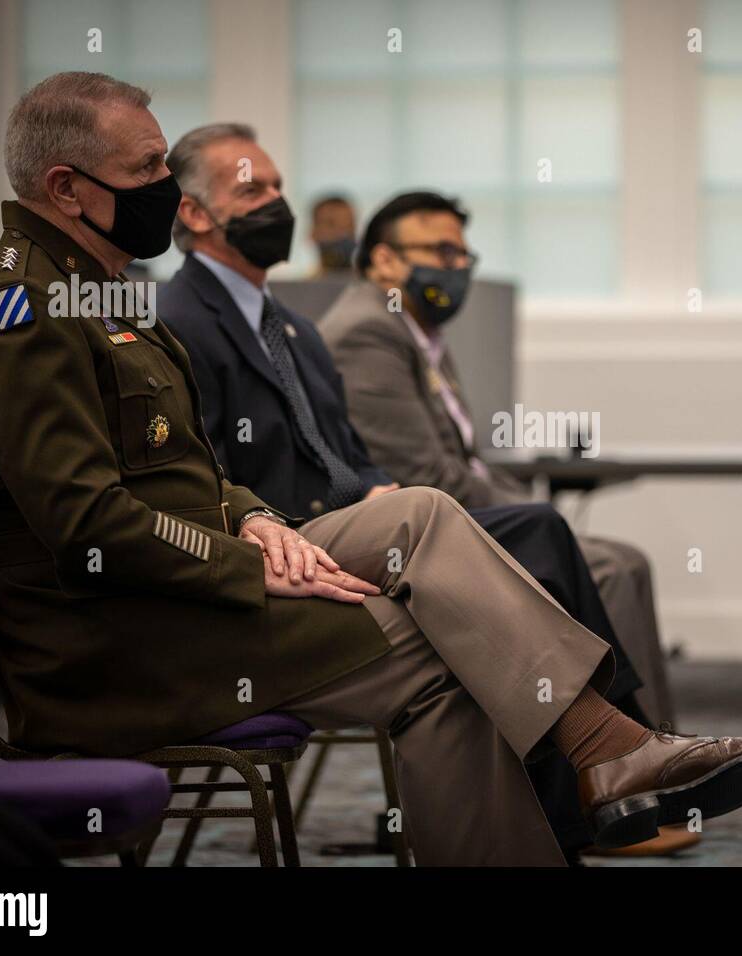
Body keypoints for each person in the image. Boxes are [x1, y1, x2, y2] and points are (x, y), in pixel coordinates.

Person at [0, 71, 742, 864]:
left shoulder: (102, 295)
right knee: (443, 655)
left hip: (183, 595)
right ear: (67, 188)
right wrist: (251, 557)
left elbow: (186, 471)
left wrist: (256, 518)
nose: (166, 191)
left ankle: (610, 746)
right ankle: (608, 753)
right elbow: (89, 529)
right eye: (147, 172)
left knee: (416, 512)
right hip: (115, 647)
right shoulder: (19, 315)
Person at [158, 122, 693, 858]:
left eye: (280, 186)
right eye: (253, 190)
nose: (277, 203)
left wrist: (377, 490)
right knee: (534, 535)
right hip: (290, 547)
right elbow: (202, 475)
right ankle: (617, 767)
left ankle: (608, 781)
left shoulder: (295, 330)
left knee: (530, 538)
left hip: (363, 527)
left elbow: (347, 454)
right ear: (193, 213)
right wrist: (335, 513)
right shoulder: (175, 321)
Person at [318, 192, 676, 727]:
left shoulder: (416, 331)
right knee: (611, 569)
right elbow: (429, 478)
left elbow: (469, 461)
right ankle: (637, 759)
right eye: (442, 252)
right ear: (384, 258)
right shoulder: (368, 332)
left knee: (625, 561)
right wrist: (535, 517)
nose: (457, 267)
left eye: (463, 256)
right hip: (421, 539)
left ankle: (654, 752)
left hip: (459, 517)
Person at [309, 194, 356, 275]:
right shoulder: (300, 286)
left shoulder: (372, 285)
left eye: (349, 226)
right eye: (331, 224)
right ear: (313, 233)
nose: (343, 234)